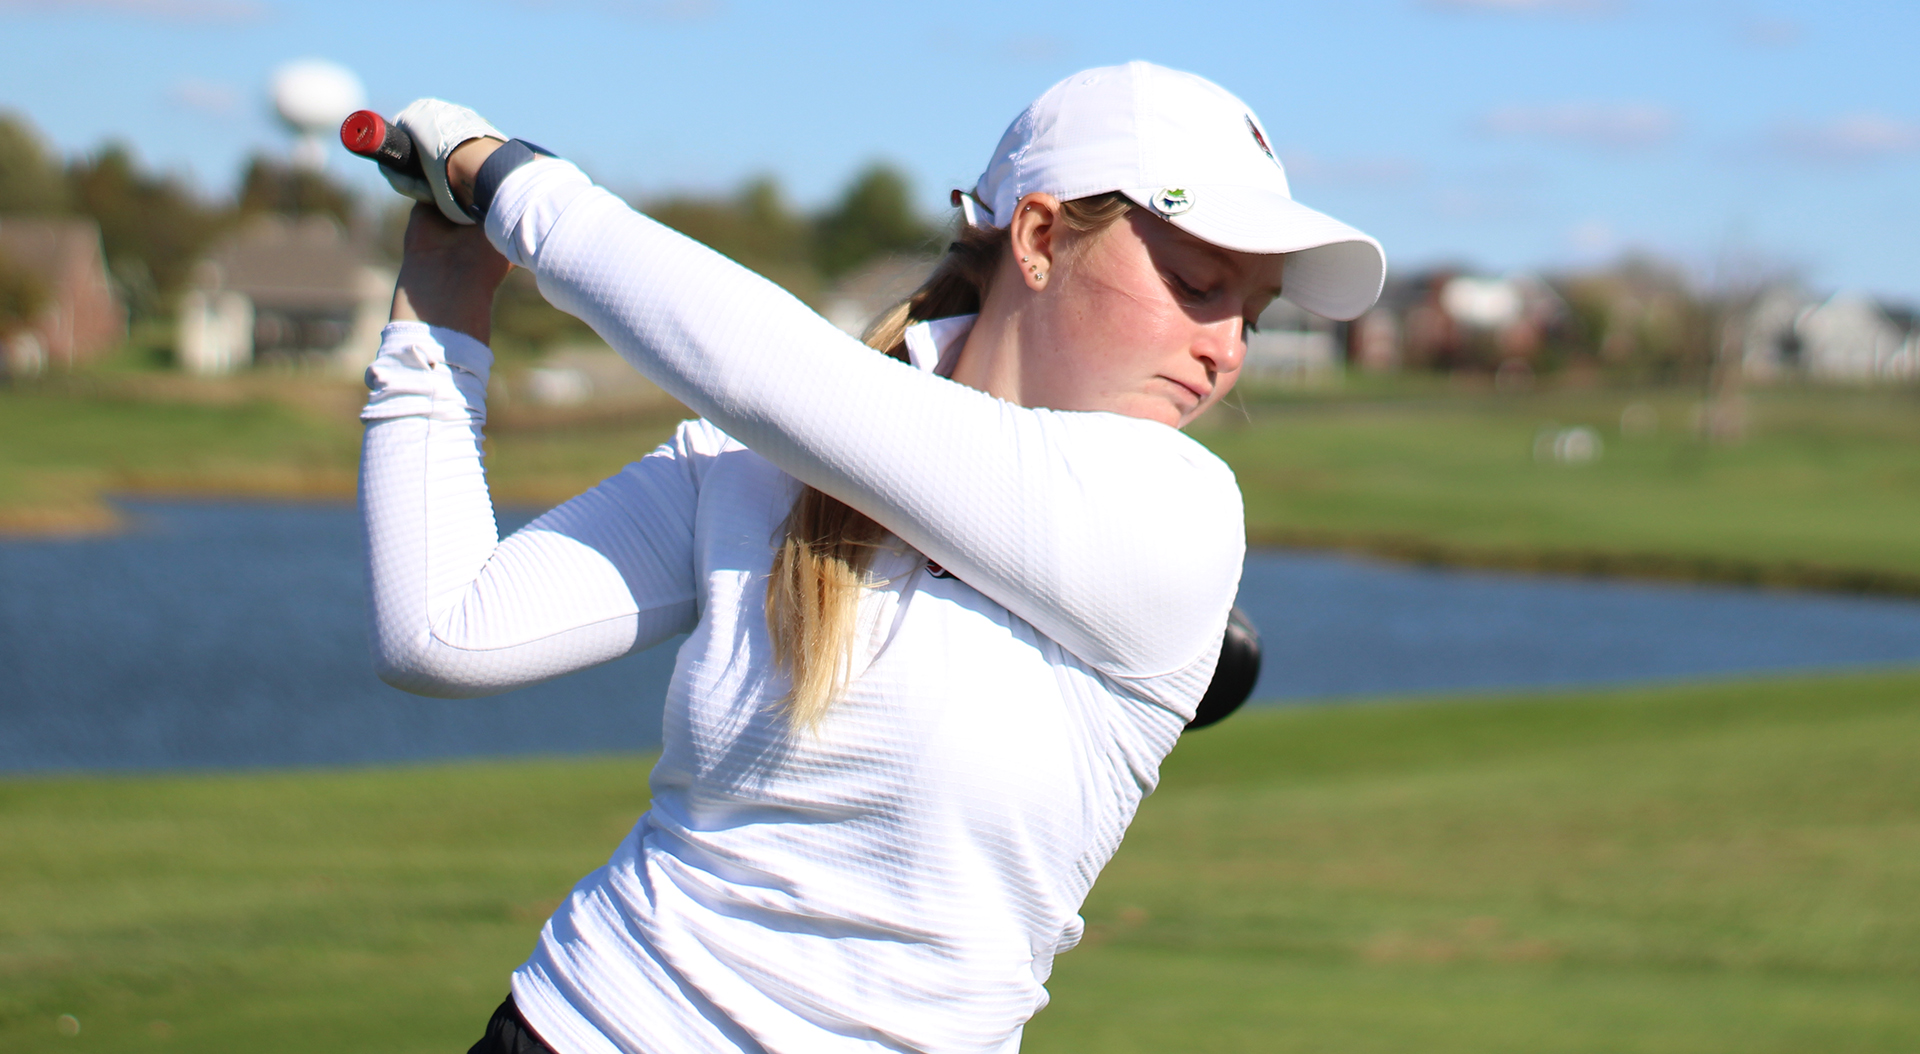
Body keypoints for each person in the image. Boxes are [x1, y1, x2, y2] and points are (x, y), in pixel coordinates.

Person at [360, 61, 1383, 1054]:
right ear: (1036, 237)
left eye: (1251, 312)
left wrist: (502, 179)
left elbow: (779, 378)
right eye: (1198, 282)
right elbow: (444, 632)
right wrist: (443, 299)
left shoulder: (1177, 508)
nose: (1225, 349)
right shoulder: (758, 459)